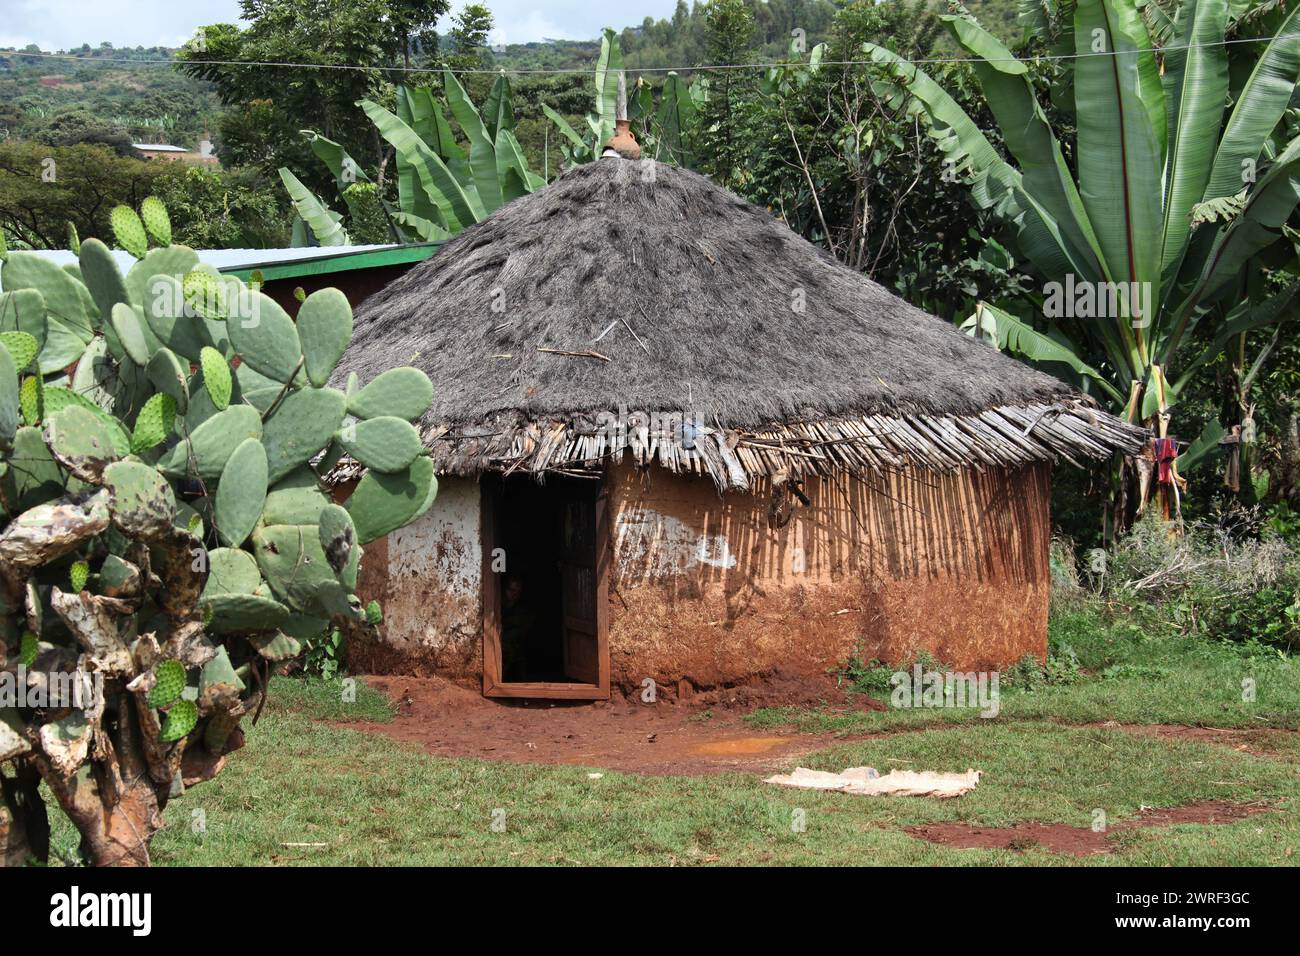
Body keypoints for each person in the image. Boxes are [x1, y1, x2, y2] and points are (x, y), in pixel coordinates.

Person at [500, 574, 536, 681]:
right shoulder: (497, 605)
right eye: (511, 590)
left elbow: (523, 627)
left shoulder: (522, 609)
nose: (514, 594)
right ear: (504, 590)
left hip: (514, 643)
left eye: (518, 591)